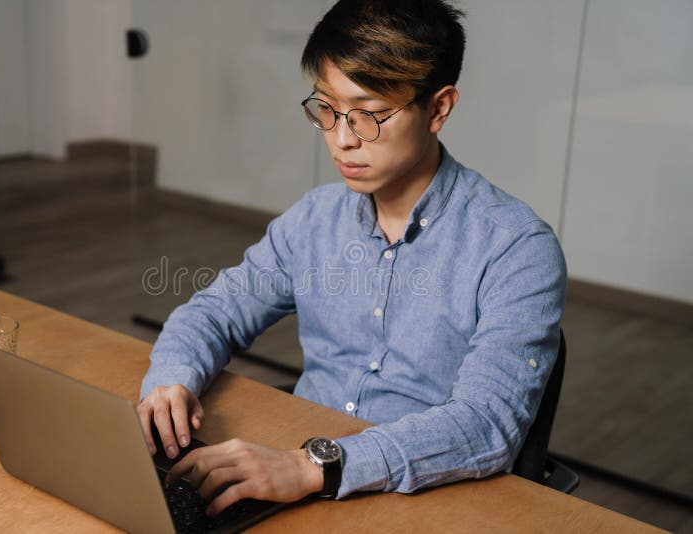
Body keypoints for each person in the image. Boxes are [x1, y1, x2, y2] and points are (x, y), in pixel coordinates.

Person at [138, 0, 566, 517]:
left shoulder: (515, 247)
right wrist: (172, 377)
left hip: (421, 495)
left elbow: (485, 423)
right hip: (292, 466)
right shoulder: (315, 218)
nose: (340, 139)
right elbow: (217, 310)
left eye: (367, 114)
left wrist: (313, 467)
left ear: (438, 108)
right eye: (326, 108)